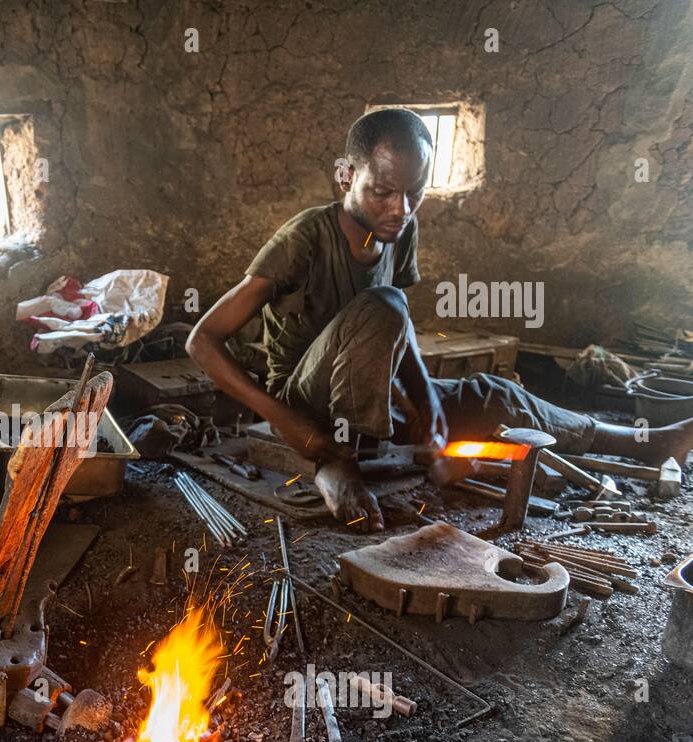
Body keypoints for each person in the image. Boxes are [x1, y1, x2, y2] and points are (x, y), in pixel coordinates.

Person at [186, 108, 693, 529]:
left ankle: (643, 442)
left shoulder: (399, 229)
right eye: (382, 192)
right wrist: (291, 425)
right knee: (385, 304)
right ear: (346, 176)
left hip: (369, 389)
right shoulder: (303, 239)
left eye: (415, 193)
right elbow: (202, 341)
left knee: (493, 394)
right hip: (306, 401)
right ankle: (337, 463)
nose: (400, 208)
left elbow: (396, 331)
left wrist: (429, 409)